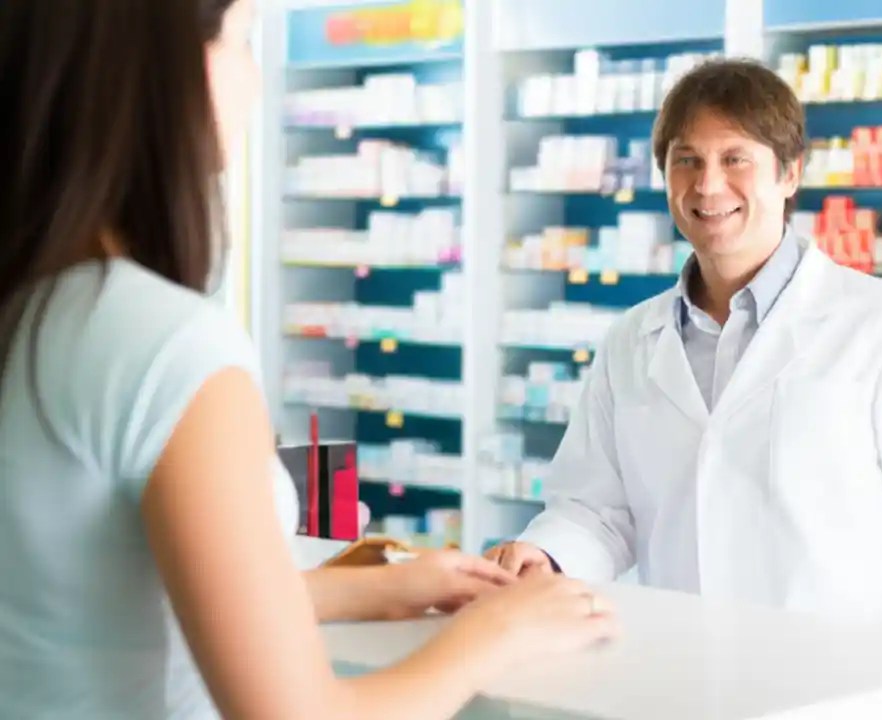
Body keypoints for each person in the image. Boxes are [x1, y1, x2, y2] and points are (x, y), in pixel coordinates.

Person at [0, 1, 616, 718]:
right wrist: (493, 635)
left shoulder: (32, 306)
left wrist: (375, 588)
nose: (256, 78)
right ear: (166, 67)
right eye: (243, 39)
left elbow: (99, 595)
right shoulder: (165, 344)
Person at [486, 58, 882, 644]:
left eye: (735, 158)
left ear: (789, 175)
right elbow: (597, 509)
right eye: (686, 160)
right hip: (682, 673)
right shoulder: (630, 343)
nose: (708, 185)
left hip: (846, 688)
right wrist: (550, 553)